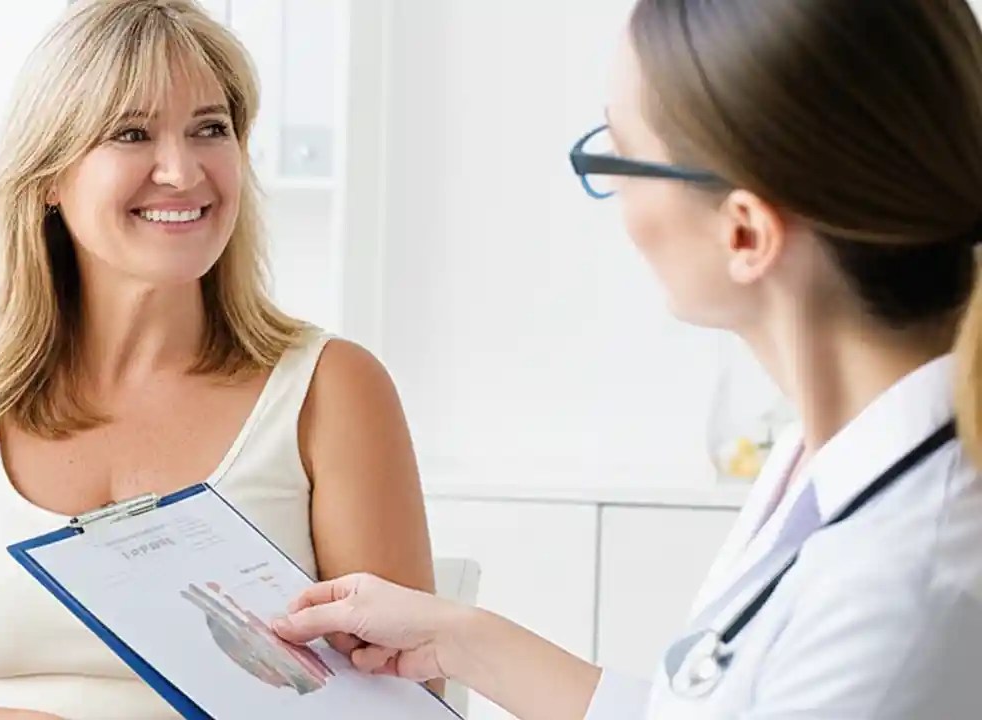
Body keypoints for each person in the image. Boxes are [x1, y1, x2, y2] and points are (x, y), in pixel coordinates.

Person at [272, 1, 982, 718]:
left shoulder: (904, 589)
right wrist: (457, 639)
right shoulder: (838, 454)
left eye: (616, 158)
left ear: (744, 233)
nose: (620, 212)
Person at [0, 1, 436, 718]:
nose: (182, 172)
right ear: (49, 177)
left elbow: (403, 704)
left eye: (210, 129)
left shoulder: (330, 390)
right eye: (131, 133)